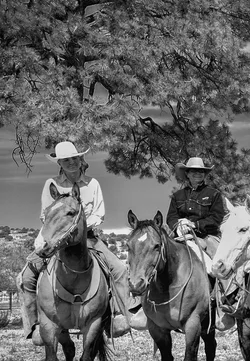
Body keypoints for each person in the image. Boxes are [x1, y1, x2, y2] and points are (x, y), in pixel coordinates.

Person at [19, 141, 145, 345]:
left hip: (88, 238)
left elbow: (98, 214)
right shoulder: (51, 184)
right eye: (66, 160)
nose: (71, 162)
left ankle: (120, 316)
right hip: (57, 237)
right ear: (59, 162)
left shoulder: (92, 183)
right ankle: (35, 326)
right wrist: (62, 233)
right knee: (25, 277)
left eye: (74, 158)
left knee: (119, 269)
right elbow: (46, 215)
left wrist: (78, 228)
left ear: (80, 160)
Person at [166, 157, 231, 329]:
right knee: (160, 257)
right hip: (181, 236)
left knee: (219, 264)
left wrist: (195, 225)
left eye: (201, 171)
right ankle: (151, 304)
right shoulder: (177, 196)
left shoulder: (214, 194)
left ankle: (226, 302)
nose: (197, 174)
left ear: (205, 174)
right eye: (194, 171)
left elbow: (217, 217)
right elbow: (171, 216)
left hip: (207, 236)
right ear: (187, 173)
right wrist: (178, 225)